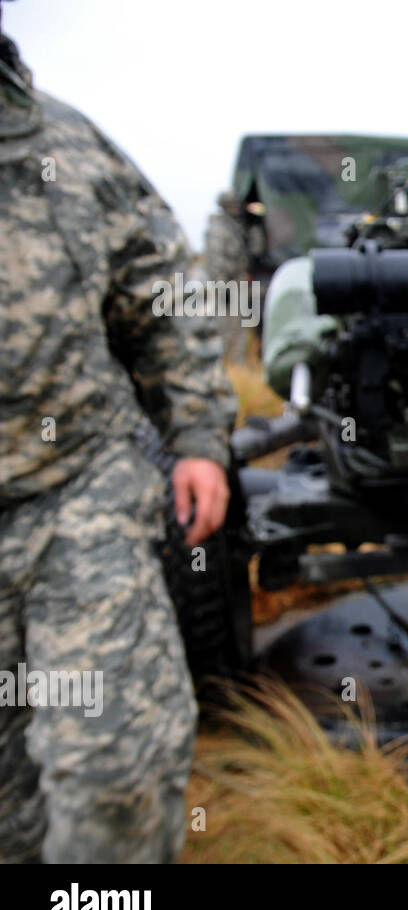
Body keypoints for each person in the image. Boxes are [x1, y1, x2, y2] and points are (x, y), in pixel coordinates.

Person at [0, 16, 236, 863]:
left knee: (114, 767)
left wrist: (200, 434)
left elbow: (163, 289)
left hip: (76, 491)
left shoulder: (65, 146)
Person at [202, 190, 252, 363]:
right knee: (226, 331)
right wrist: (222, 287)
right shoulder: (218, 229)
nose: (236, 208)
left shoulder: (236, 227)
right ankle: (226, 369)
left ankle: (238, 369)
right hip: (227, 286)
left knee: (240, 331)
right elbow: (215, 262)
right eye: (233, 205)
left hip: (238, 285)